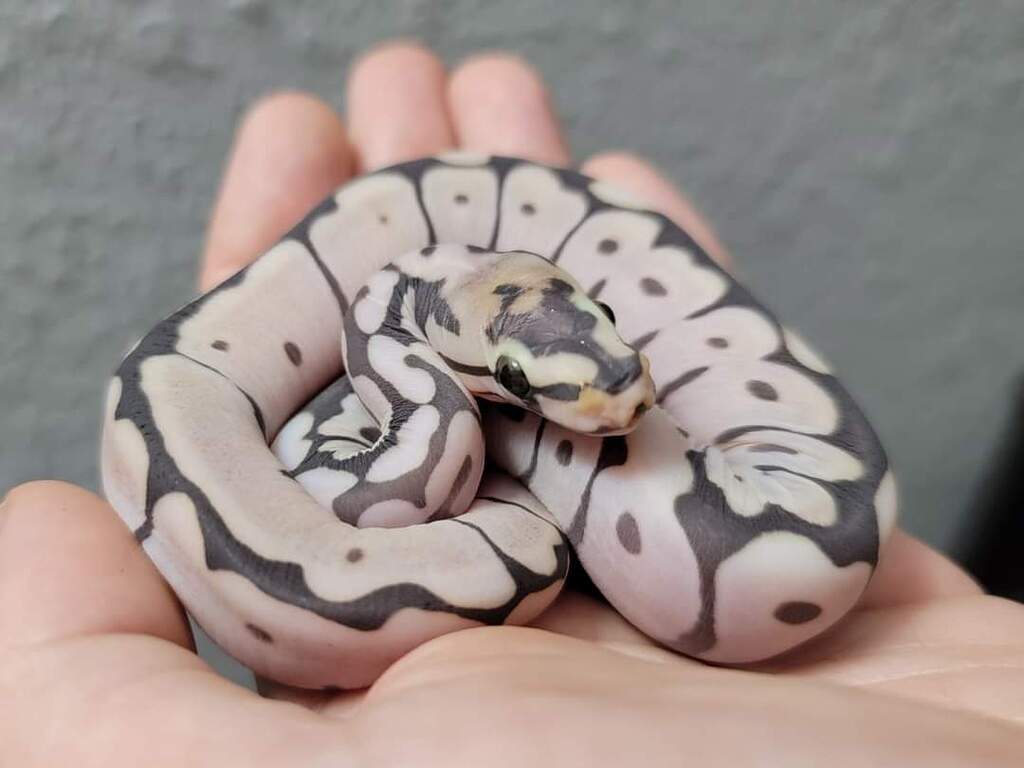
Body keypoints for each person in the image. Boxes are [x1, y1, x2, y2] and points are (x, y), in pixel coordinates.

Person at [1, 41, 1021, 766]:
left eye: (612, 338)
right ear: (475, 374)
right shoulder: (431, 368)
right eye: (540, 391)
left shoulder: (444, 330)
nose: (626, 394)